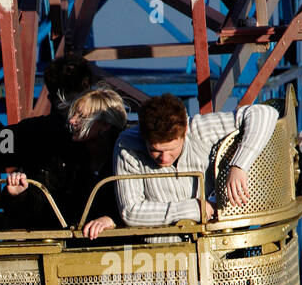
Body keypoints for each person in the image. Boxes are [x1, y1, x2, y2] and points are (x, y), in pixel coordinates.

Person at [114, 93, 277, 227]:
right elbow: (131, 212)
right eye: (155, 150)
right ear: (143, 138)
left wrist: (239, 166)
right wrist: (193, 208)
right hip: (161, 253)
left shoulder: (199, 129)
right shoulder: (127, 146)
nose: (163, 158)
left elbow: (265, 113)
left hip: (212, 242)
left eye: (171, 150)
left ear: (185, 132)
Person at [2, 87, 129, 238]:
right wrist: (18, 195)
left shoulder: (128, 156)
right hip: (68, 244)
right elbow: (37, 205)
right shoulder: (60, 156)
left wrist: (112, 219)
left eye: (81, 116)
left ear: (105, 125)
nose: (71, 120)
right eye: (73, 114)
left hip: (117, 248)